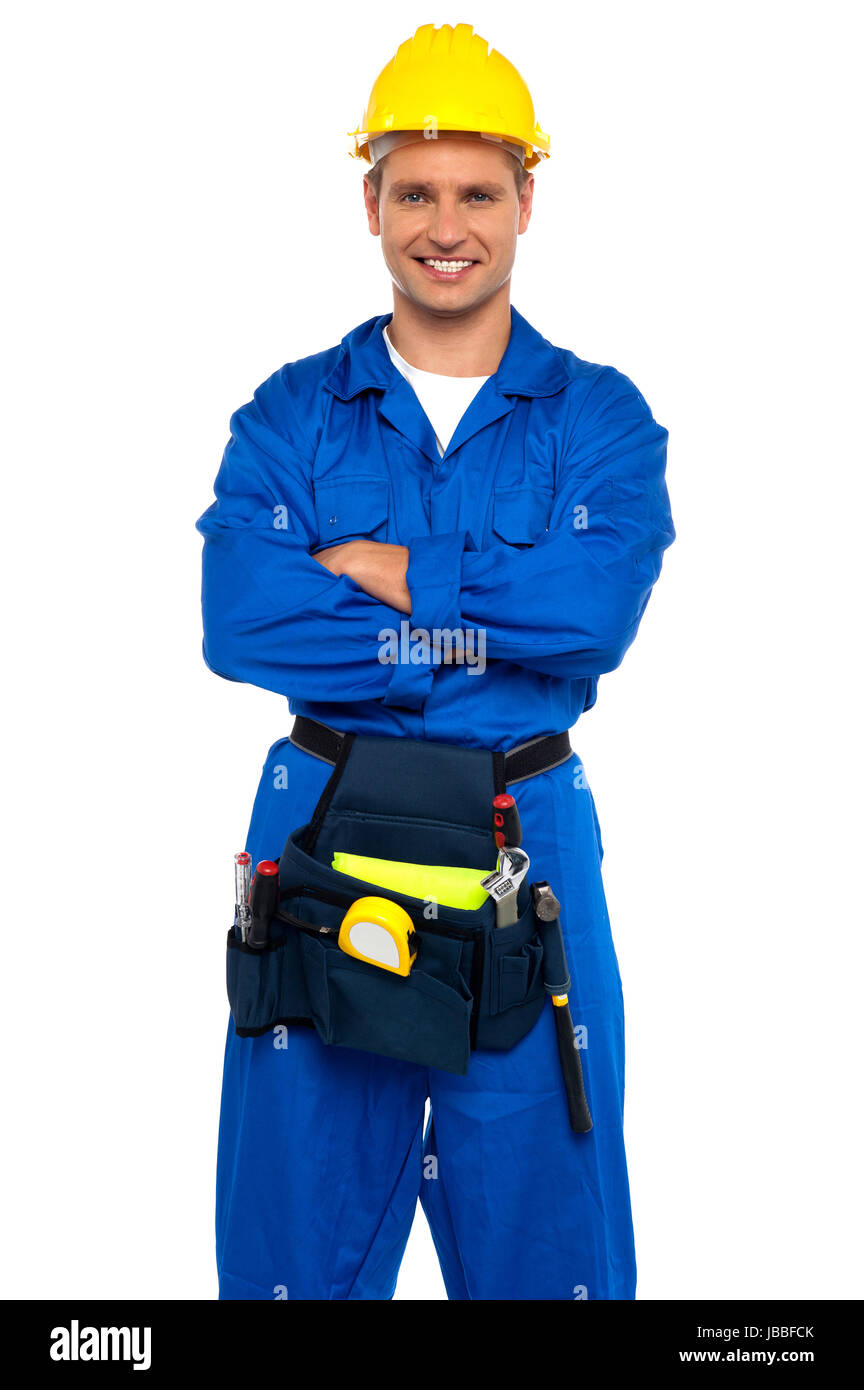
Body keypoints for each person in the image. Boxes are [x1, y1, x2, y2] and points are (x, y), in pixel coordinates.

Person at [196, 22, 674, 1301]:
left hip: (529, 841)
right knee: (294, 1245)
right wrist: (475, 640)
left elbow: (592, 619)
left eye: (476, 191)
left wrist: (388, 571)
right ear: (371, 201)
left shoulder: (601, 418)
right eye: (415, 191)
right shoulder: (292, 411)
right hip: (323, 831)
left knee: (547, 1249)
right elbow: (241, 619)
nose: (444, 224)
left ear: (528, 200)